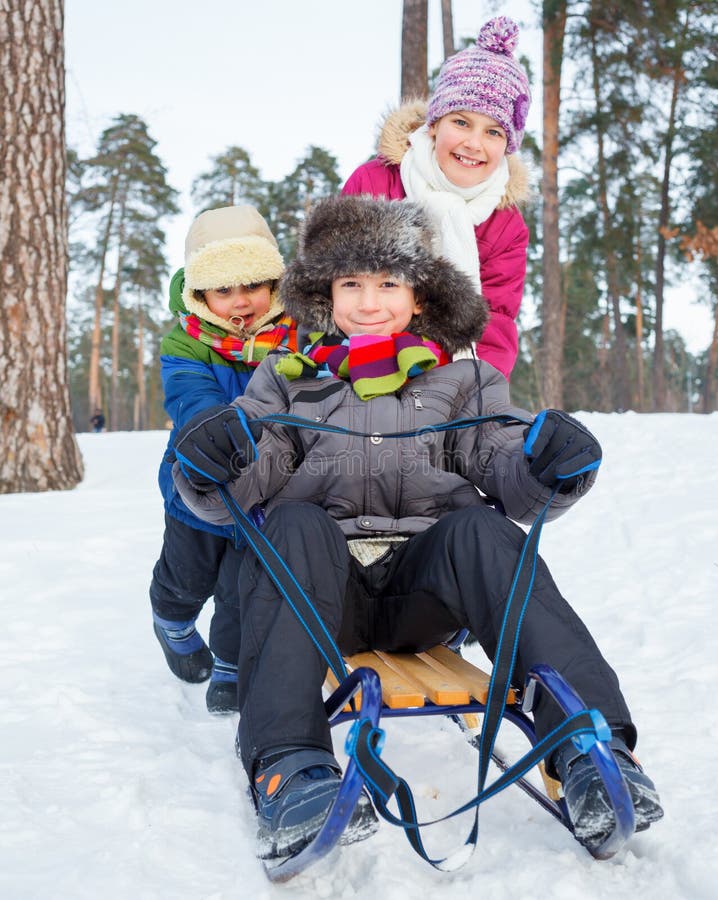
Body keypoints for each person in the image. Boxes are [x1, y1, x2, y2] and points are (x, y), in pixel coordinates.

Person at [172, 196, 663, 860]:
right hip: (323, 596)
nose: (368, 302)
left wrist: (548, 468)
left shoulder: (466, 383)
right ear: (323, 295)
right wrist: (213, 465)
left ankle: (588, 749)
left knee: (482, 532)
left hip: (426, 592)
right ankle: (292, 768)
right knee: (288, 521)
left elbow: (505, 471)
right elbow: (248, 480)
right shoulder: (286, 384)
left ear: (421, 294)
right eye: (351, 284)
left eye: (387, 283)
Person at [150, 204, 297, 714]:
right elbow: (191, 400)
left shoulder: (300, 338)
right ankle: (171, 618)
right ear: (201, 294)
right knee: (188, 575)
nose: (241, 302)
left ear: (275, 284)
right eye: (224, 289)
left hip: (268, 484)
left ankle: (232, 664)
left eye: (253, 285)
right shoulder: (186, 343)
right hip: (200, 480)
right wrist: (217, 430)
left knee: (244, 584)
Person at [342, 15, 530, 380]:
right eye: (461, 122)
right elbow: (335, 282)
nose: (473, 144)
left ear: (507, 146)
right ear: (434, 124)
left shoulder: (505, 225)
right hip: (361, 360)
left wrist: (470, 388)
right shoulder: (376, 183)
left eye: (493, 132)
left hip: (450, 379)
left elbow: (495, 322)